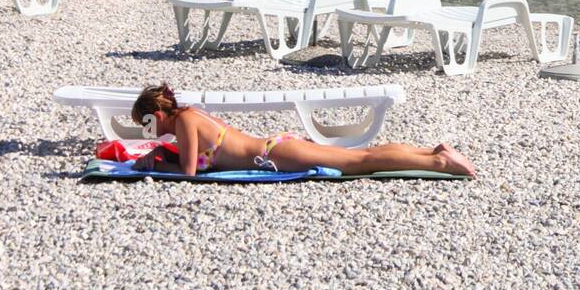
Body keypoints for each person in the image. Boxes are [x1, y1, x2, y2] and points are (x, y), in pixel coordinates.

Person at [128, 84, 476, 178]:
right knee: (359, 157)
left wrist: (156, 164)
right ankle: (431, 152)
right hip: (275, 149)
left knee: (362, 161)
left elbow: (189, 173)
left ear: (157, 114)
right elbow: (195, 161)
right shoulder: (187, 119)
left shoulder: (185, 122)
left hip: (274, 155)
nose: (147, 131)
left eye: (145, 123)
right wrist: (161, 155)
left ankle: (440, 162)